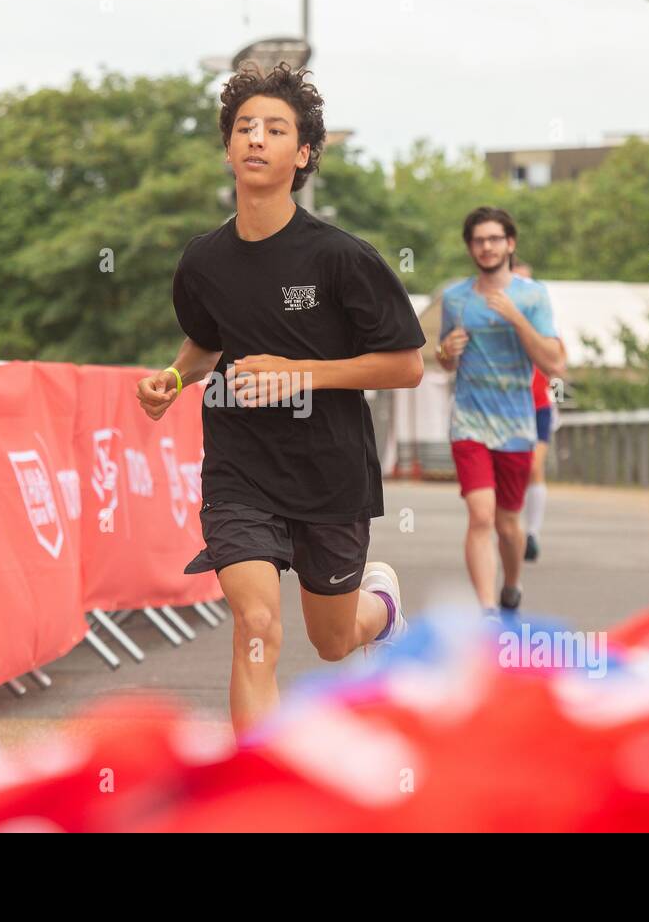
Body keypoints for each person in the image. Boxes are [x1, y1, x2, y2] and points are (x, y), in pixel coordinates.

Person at [136, 63, 426, 739]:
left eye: (274, 129)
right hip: (241, 469)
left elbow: (407, 365)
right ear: (228, 147)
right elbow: (205, 344)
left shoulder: (342, 258)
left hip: (331, 471)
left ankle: (381, 606)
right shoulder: (203, 261)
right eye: (244, 127)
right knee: (257, 622)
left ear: (302, 154)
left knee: (332, 639)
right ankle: (254, 790)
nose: (256, 139)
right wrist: (174, 380)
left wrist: (303, 374)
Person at [435, 208, 564, 612]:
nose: (486, 247)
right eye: (478, 240)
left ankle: (511, 586)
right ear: (470, 247)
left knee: (509, 526)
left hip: (516, 425)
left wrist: (516, 319)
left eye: (494, 239)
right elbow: (445, 359)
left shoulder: (532, 296)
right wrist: (445, 352)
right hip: (469, 421)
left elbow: (554, 362)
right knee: (480, 515)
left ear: (510, 243)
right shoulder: (455, 299)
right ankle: (487, 610)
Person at [510, 259, 558, 562]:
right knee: (512, 470)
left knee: (533, 467)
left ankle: (532, 533)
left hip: (537, 405)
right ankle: (510, 528)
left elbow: (557, 361)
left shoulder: (543, 324)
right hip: (506, 408)